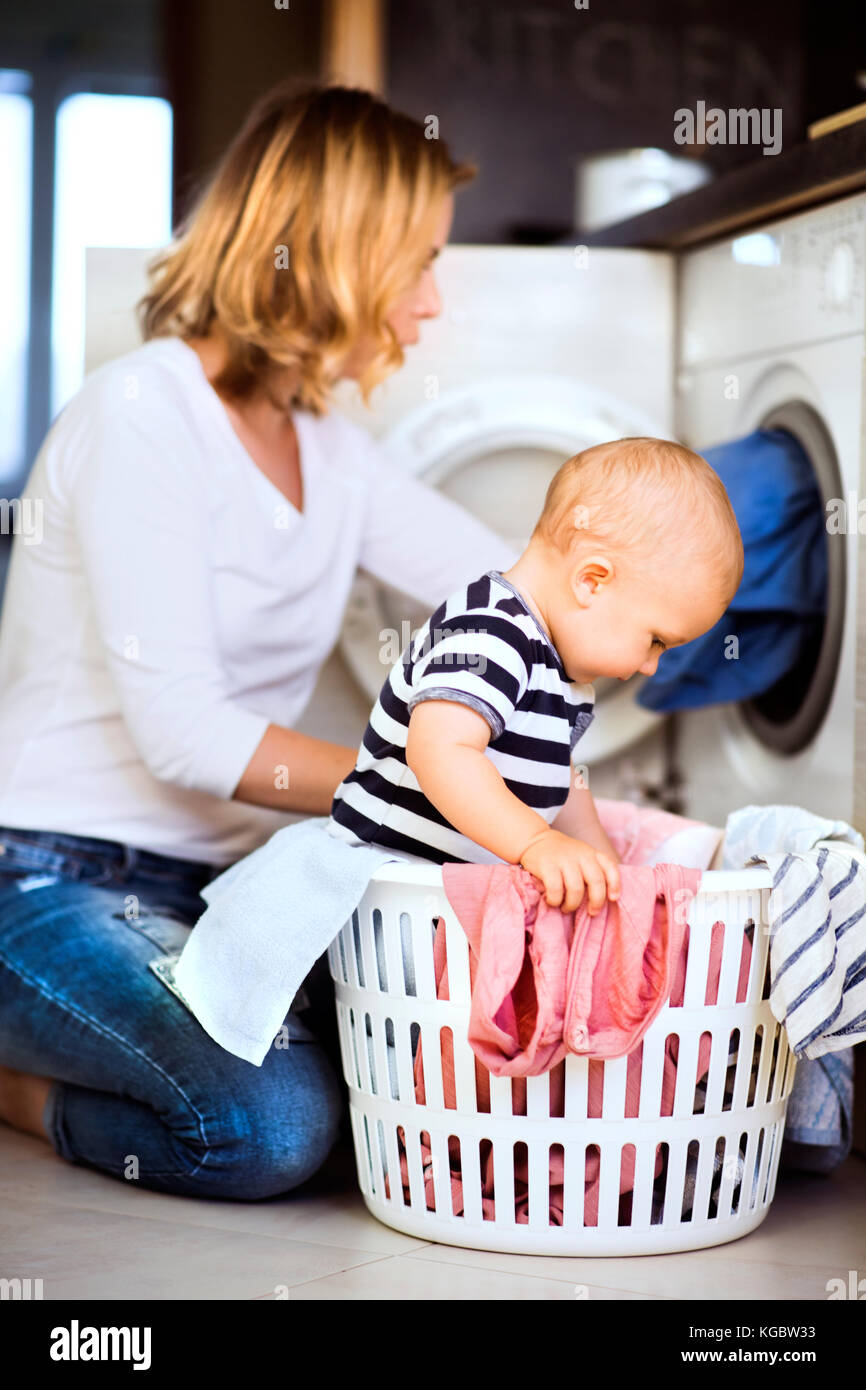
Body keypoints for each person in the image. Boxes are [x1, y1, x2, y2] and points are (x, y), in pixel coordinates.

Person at [0, 83, 518, 1200]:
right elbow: (185, 736)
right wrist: (431, 779)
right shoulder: (145, 415)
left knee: (426, 1058)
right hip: (44, 880)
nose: (430, 305)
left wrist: (629, 586)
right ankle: (17, 1085)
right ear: (335, 252)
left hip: (219, 885)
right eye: (417, 261)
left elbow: (501, 588)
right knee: (267, 1125)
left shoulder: (326, 444)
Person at [329, 436, 744, 910]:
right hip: (384, 891)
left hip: (447, 907)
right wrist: (534, 842)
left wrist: (609, 872)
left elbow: (558, 781)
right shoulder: (487, 630)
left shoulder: (562, 673)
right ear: (591, 581)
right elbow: (440, 751)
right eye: (655, 641)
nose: (651, 665)